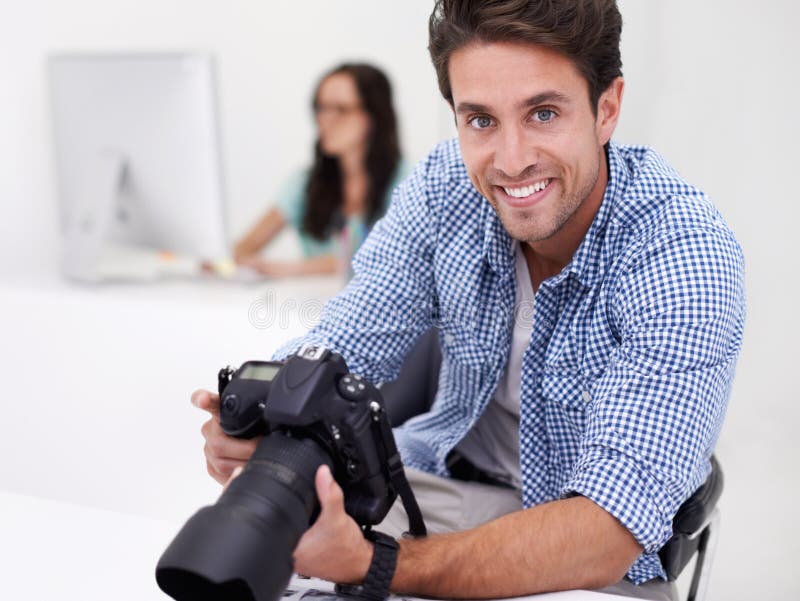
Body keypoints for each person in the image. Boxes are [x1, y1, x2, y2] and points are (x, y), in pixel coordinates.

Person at [192, 1, 745, 599]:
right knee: (254, 555)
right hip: (445, 486)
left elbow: (604, 531)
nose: (510, 161)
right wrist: (272, 412)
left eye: (543, 113)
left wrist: (376, 564)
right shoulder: (444, 189)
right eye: (480, 120)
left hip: (585, 537)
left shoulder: (684, 255)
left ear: (605, 109)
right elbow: (347, 338)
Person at [233, 62, 405, 277]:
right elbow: (243, 247)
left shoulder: (409, 182)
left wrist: (291, 269)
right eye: (320, 108)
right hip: (309, 307)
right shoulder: (304, 183)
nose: (325, 120)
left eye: (340, 109)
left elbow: (386, 257)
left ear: (373, 115)